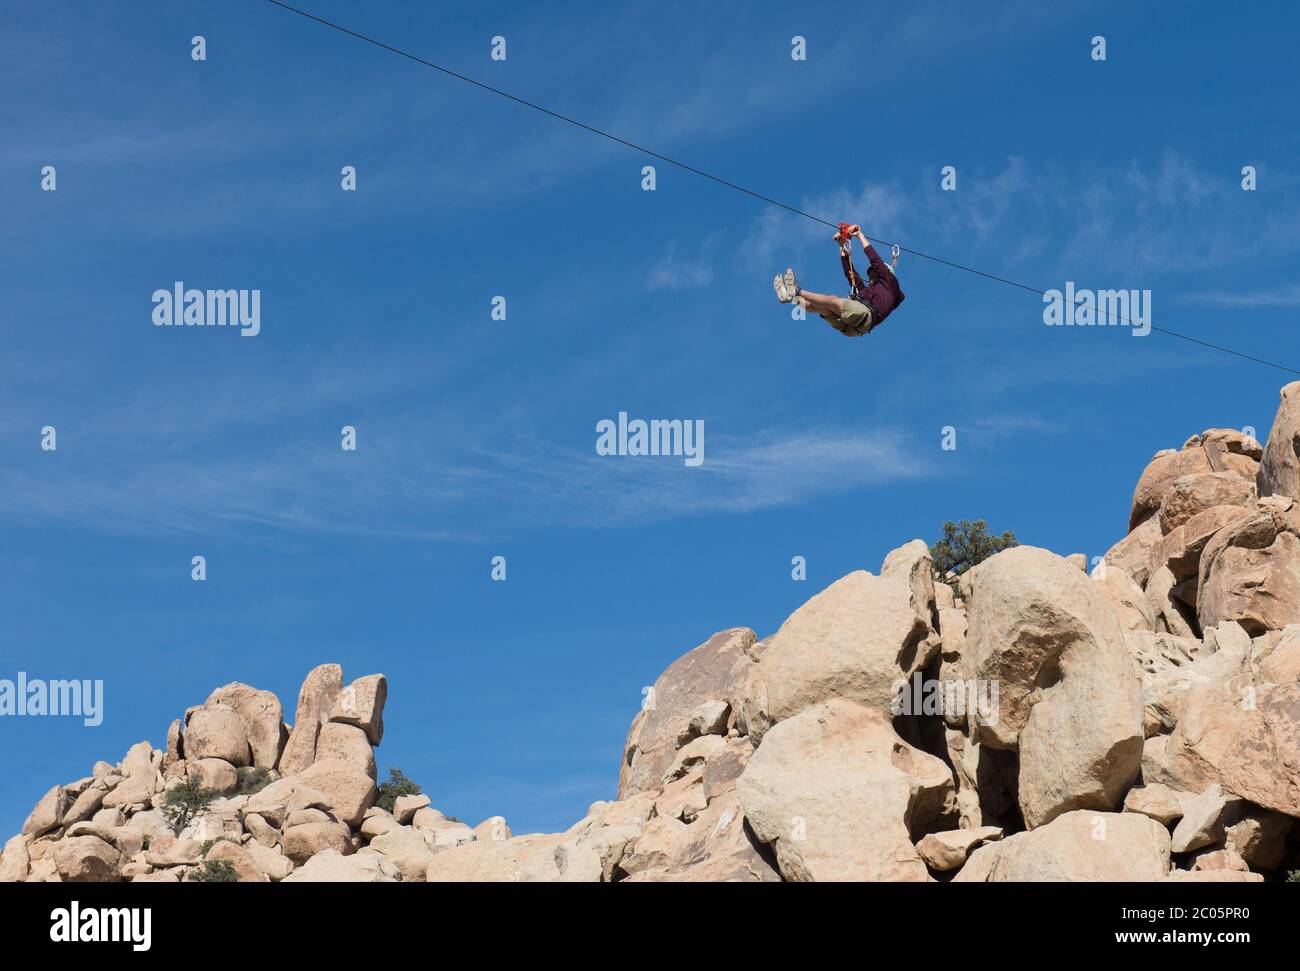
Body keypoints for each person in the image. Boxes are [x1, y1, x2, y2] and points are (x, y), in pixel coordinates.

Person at [773, 226, 905, 337]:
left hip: (864, 314)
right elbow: (850, 274)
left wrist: (860, 235)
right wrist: (841, 244)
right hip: (855, 326)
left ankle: (797, 290)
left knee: (832, 300)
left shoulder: (890, 282)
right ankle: (789, 297)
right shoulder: (867, 292)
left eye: (873, 274)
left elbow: (875, 260)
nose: (871, 277)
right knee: (822, 308)